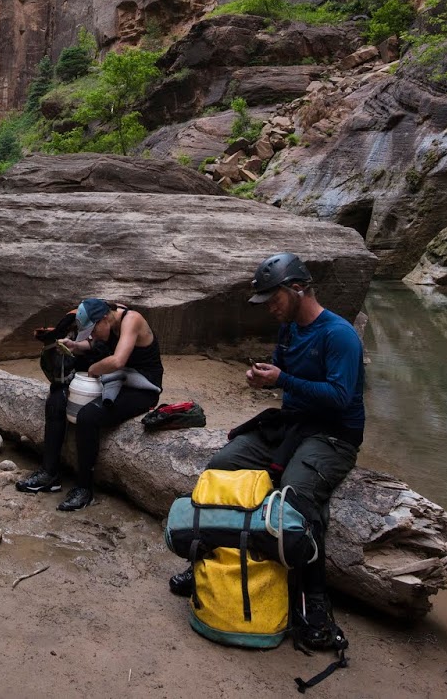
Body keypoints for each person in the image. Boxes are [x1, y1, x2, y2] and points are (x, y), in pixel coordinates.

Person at [173, 253, 365, 651]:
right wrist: (264, 379)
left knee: (296, 495)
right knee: (221, 467)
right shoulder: (290, 330)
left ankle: (314, 603)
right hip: (292, 425)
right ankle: (212, 561)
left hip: (332, 434)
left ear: (297, 289)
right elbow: (284, 376)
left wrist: (284, 379)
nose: (270, 308)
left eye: (273, 298)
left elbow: (342, 398)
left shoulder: (338, 334)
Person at [17, 298, 163, 511]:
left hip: (141, 386)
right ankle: (49, 473)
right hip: (116, 378)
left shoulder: (131, 319)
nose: (92, 336)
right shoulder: (104, 321)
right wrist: (75, 346)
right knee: (57, 399)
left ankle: (84, 488)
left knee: (88, 416)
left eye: (92, 330)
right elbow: (95, 344)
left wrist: (94, 369)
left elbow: (117, 360)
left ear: (104, 319)